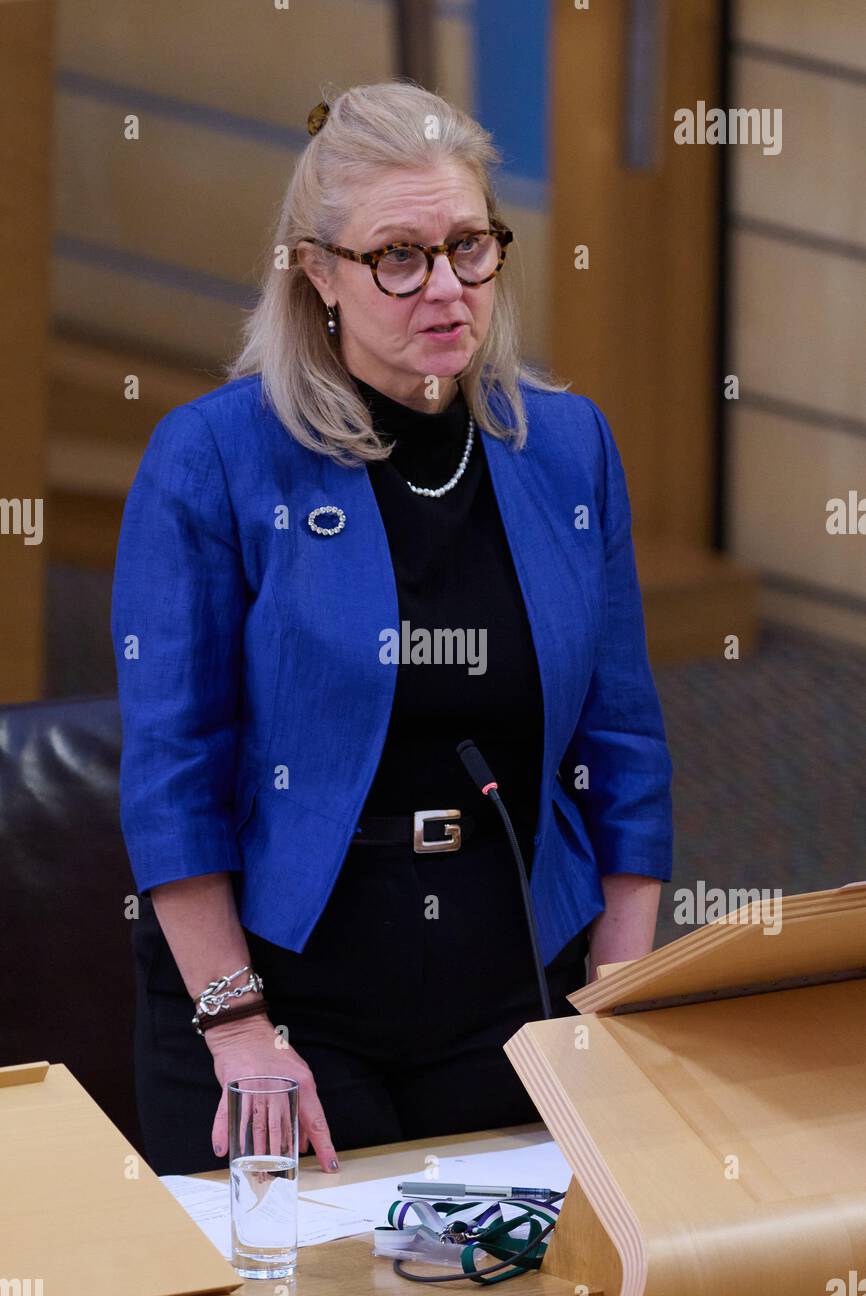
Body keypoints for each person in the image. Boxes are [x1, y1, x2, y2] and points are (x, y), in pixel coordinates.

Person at [111, 81, 673, 1178]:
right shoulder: (215, 459)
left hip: (513, 969)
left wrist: (611, 1002)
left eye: (469, 246)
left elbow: (623, 748)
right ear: (315, 271)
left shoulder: (565, 448)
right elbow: (173, 772)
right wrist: (233, 1026)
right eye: (398, 257)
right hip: (284, 986)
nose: (446, 289)